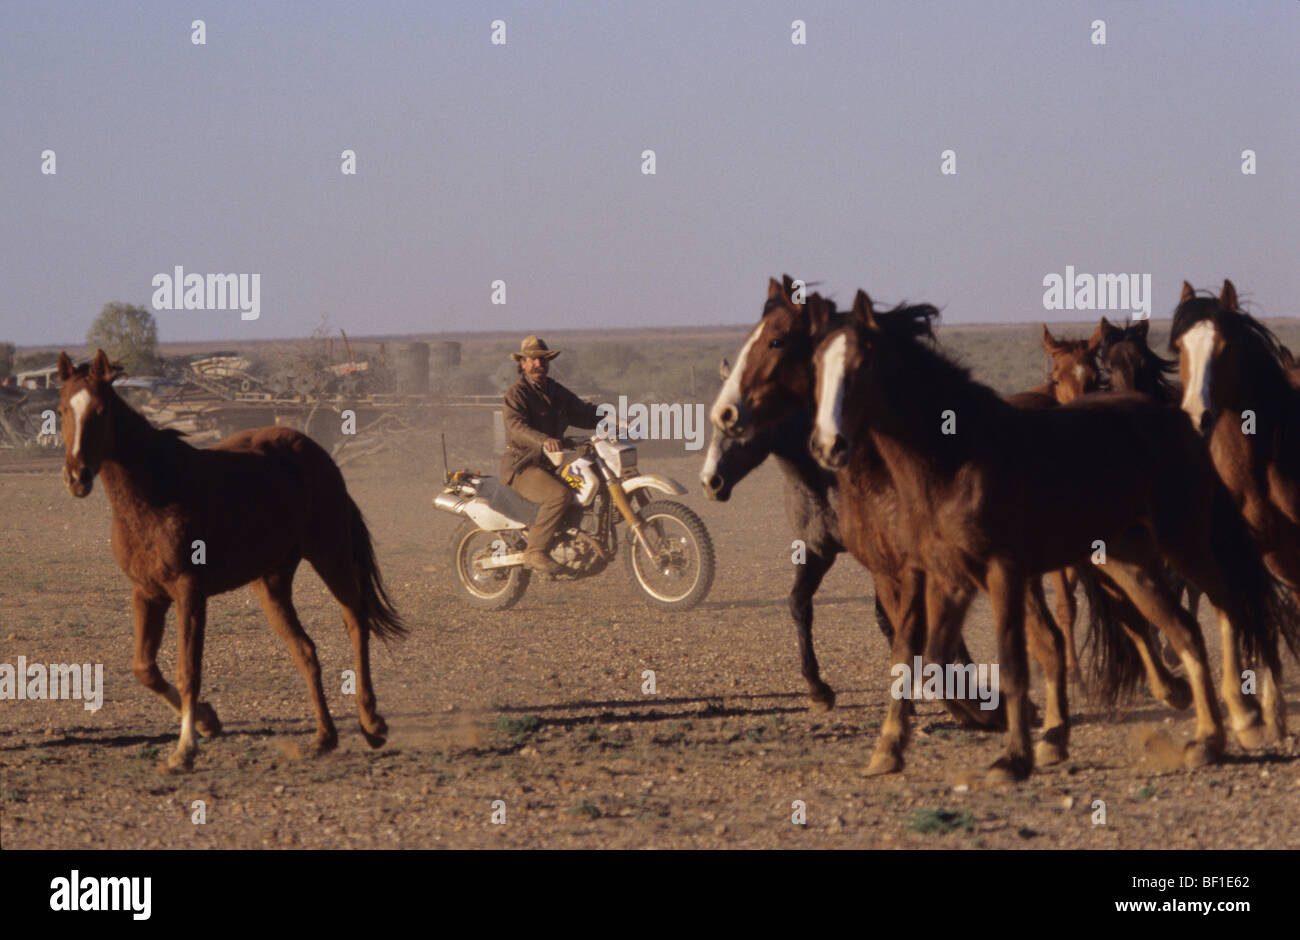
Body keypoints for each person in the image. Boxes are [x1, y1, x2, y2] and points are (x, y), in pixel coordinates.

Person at [500, 335, 601, 576]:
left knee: (587, 480)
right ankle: (535, 551)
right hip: (523, 465)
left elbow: (583, 413)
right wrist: (543, 440)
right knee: (559, 495)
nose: (538, 364)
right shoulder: (516, 394)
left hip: (551, 463)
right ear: (523, 364)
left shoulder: (556, 391)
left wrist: (612, 417)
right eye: (533, 360)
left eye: (543, 360)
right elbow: (516, 427)